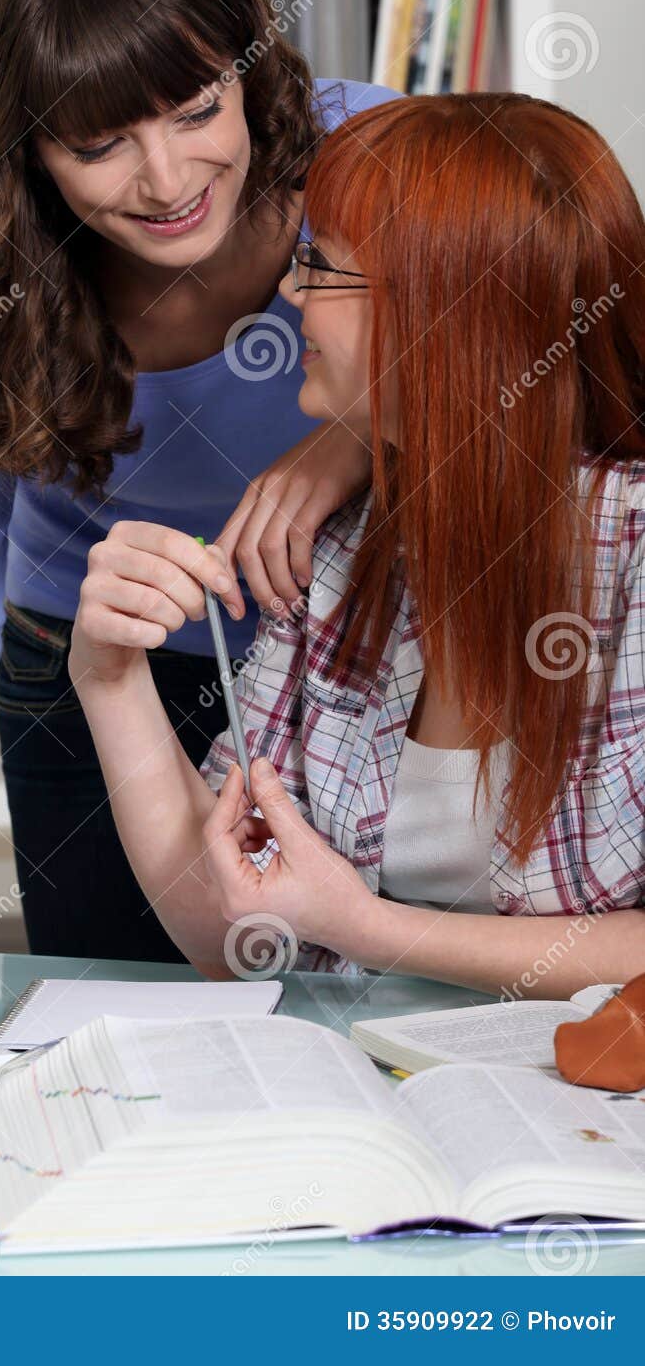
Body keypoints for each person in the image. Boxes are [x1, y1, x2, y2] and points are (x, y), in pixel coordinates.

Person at [0, 0, 399, 956]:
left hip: (346, 673)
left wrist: (348, 443)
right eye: (99, 143)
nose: (167, 180)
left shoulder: (366, 150)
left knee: (349, 1027)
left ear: (249, 72)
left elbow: (523, 377)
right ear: (28, 151)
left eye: (194, 110)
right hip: (86, 675)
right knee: (119, 1052)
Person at [68, 93, 645, 998]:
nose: (291, 293)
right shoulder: (337, 553)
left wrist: (369, 929)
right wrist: (108, 678)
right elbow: (232, 935)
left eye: (324, 270)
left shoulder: (633, 557)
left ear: (448, 316)